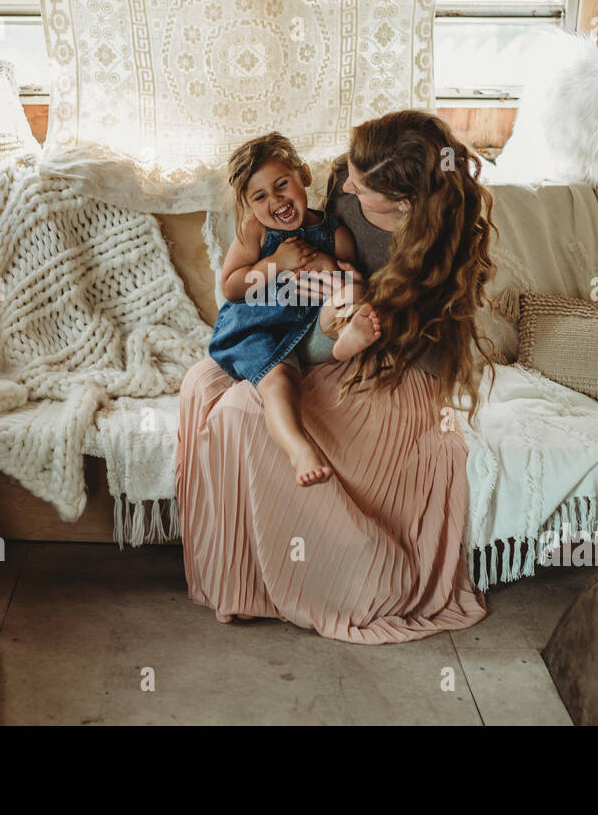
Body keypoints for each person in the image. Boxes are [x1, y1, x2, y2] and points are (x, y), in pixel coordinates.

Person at [178, 110, 495, 643]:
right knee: (206, 386)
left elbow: (409, 338)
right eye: (349, 172)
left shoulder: (439, 243)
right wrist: (304, 297)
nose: (344, 184)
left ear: (404, 202)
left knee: (244, 412)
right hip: (310, 334)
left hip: (394, 364)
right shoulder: (338, 202)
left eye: (360, 184)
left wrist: (337, 313)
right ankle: (248, 581)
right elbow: (238, 285)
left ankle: (328, 575)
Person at [208, 132, 383, 486]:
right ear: (250, 205)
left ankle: (344, 338)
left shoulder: (335, 234)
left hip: (309, 329)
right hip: (258, 332)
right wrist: (276, 262)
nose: (275, 200)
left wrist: (331, 268)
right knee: (279, 381)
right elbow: (232, 286)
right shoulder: (254, 230)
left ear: (304, 176)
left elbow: (347, 281)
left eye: (281, 185)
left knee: (348, 297)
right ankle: (297, 448)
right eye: (260, 196)